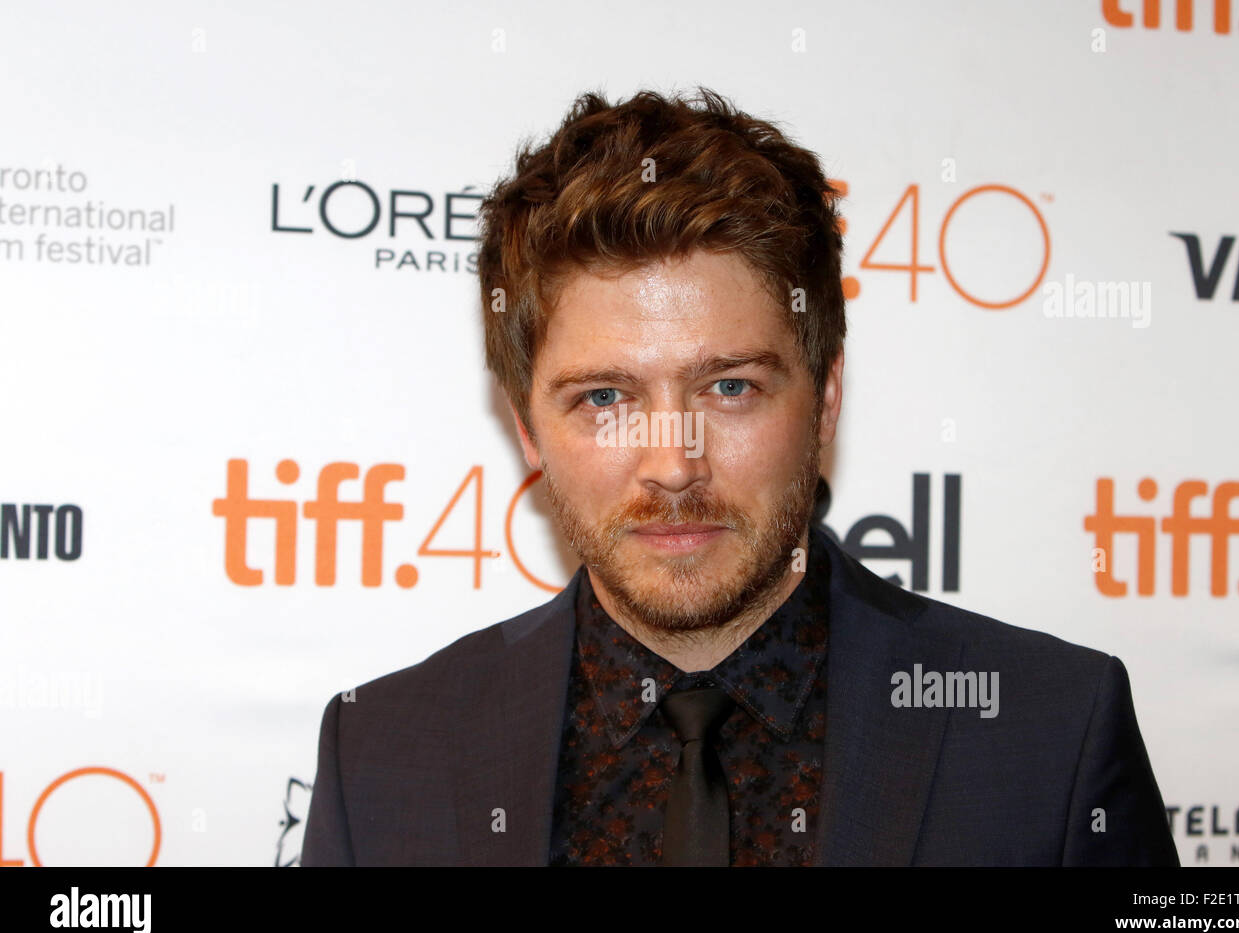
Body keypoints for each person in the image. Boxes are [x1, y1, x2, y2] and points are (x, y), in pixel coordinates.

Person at [301, 88, 1178, 866]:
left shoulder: (1048, 734)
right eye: (605, 396)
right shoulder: (381, 755)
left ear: (826, 397)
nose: (674, 463)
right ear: (528, 427)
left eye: (730, 387)